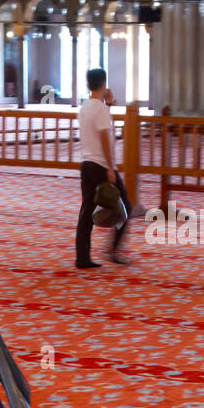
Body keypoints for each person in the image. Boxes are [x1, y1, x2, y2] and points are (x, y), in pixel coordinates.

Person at [75, 67, 132, 269]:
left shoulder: (85, 107)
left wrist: (108, 104)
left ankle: (82, 257)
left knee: (87, 211)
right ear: (103, 84)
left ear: (88, 84)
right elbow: (104, 139)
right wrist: (110, 167)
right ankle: (112, 251)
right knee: (125, 207)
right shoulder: (99, 109)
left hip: (86, 164)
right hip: (101, 165)